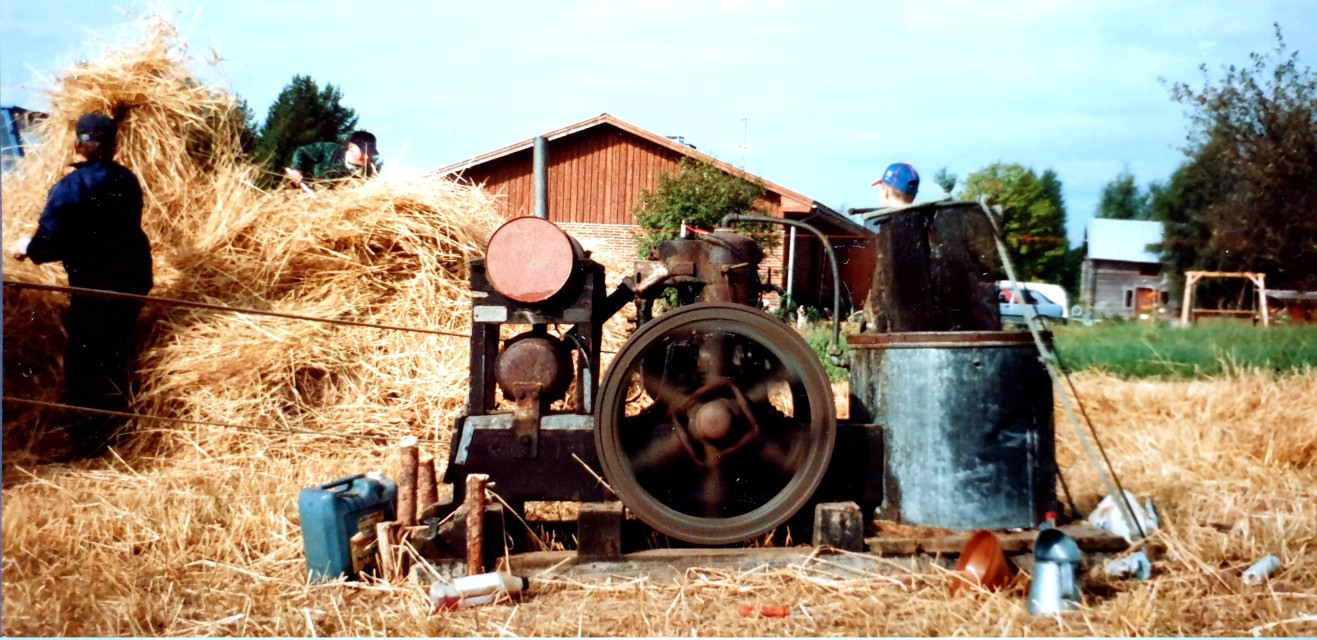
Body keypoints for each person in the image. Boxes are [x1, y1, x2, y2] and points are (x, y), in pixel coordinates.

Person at [11, 112, 154, 460]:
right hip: (133, 281)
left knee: (86, 362)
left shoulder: (71, 187)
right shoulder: (128, 180)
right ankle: (119, 435)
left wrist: (25, 248)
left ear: (79, 144)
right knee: (115, 355)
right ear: (112, 146)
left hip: (96, 288)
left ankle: (92, 445)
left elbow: (51, 240)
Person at [284, 130, 380, 188]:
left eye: (370, 153)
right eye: (364, 151)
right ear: (351, 147)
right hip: (303, 198)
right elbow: (301, 151)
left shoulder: (368, 173)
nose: (367, 156)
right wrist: (297, 169)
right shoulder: (329, 150)